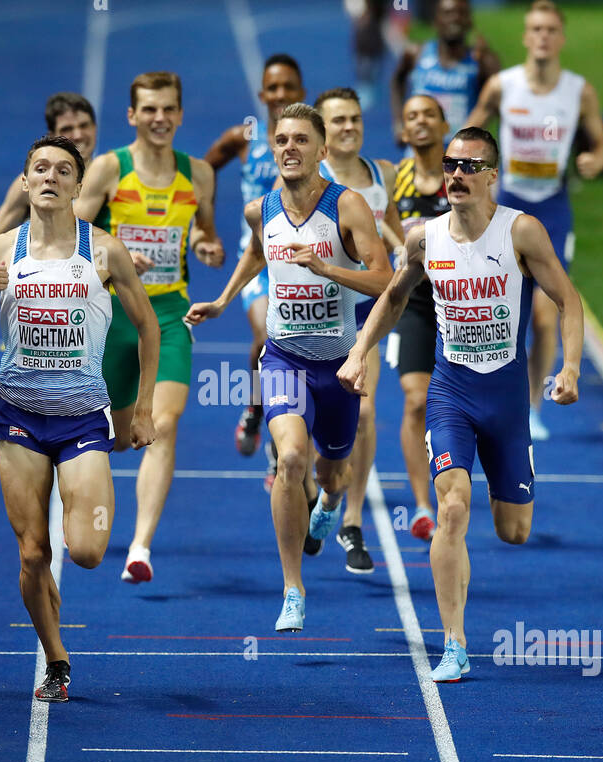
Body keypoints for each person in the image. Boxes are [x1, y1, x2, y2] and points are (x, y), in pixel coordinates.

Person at [340, 127, 584, 682]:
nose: (456, 175)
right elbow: (393, 297)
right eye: (451, 165)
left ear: (493, 175)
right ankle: (454, 642)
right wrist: (358, 352)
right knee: (451, 508)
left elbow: (568, 301)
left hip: (506, 397)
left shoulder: (521, 232)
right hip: (451, 393)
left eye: (470, 166)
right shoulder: (424, 239)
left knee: (513, 531)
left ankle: (516, 469)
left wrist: (569, 367)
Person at [0, 135, 158, 702]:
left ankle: (75, 525)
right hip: (18, 417)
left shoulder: (104, 250)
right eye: (40, 168)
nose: (51, 177)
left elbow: (148, 326)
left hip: (83, 418)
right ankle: (57, 659)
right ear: (25, 180)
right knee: (33, 552)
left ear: (78, 186)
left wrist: (143, 408)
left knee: (85, 552)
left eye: (63, 170)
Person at [186, 103, 391, 632]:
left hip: (339, 366)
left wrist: (326, 269)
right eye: (281, 140)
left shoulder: (348, 206)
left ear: (322, 150)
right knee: (292, 458)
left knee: (334, 472)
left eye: (301, 139)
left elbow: (384, 279)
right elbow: (258, 254)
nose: (289, 148)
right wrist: (223, 300)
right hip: (284, 358)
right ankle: (293, 588)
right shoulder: (262, 210)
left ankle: (330, 504)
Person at [74, 71, 224, 583]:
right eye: (150, 110)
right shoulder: (108, 169)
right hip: (114, 316)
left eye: (168, 109)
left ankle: (140, 546)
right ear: (132, 115)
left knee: (163, 423)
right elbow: (68, 234)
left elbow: (203, 229)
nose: (160, 118)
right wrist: (114, 255)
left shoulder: (199, 173)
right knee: (119, 438)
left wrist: (206, 245)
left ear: (180, 114)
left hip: (170, 314)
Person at [466, 0, 603, 440]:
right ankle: (487, 396)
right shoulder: (502, 86)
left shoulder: (579, 91)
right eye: (536, 29)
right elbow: (469, 135)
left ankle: (531, 406)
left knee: (546, 319)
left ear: (561, 38)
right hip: (507, 206)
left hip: (552, 210)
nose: (543, 37)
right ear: (526, 37)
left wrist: (594, 161)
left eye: (551, 29)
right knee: (500, 311)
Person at [314, 86, 405, 573]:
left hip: (366, 311)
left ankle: (351, 520)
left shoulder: (382, 172)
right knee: (314, 414)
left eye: (355, 118)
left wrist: (408, 252)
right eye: (338, 120)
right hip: (317, 312)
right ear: (321, 131)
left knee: (365, 412)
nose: (349, 126)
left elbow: (392, 232)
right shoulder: (311, 178)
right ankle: (318, 490)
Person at [205, 54, 306, 467]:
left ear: (301, 92)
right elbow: (202, 170)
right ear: (262, 94)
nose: (280, 94)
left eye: (288, 87)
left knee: (300, 349)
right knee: (267, 338)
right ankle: (257, 409)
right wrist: (204, 228)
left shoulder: (312, 139)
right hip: (259, 260)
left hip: (303, 259)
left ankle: (282, 432)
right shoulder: (243, 137)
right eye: (273, 87)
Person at [0, 92, 99, 349]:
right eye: (67, 129)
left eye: (84, 125)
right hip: (38, 314)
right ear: (53, 135)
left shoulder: (113, 177)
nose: (78, 135)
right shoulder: (31, 184)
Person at [389, 93, 452, 541]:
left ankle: (458, 485)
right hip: (413, 302)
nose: (420, 121)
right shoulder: (395, 178)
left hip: (462, 306)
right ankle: (423, 506)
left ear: (445, 124)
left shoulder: (462, 176)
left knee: (457, 406)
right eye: (412, 116)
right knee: (415, 400)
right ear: (403, 129)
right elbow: (385, 227)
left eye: (429, 114)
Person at [391, 0, 498, 147]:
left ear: (469, 21)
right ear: (435, 20)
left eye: (461, 13)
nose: (455, 18)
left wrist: (489, 58)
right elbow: (397, 81)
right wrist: (399, 124)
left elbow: (498, 98)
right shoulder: (416, 53)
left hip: (459, 153)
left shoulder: (479, 61)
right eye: (448, 13)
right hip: (420, 151)